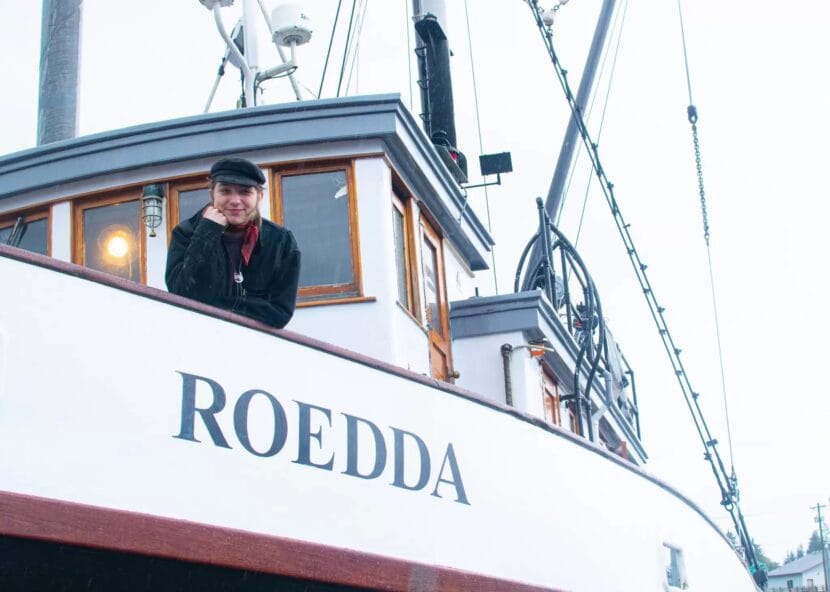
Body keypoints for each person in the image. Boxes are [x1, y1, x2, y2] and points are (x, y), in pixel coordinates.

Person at [166, 157, 301, 329]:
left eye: (245, 192)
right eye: (225, 191)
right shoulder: (186, 233)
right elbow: (180, 295)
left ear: (260, 196)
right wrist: (206, 233)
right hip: (198, 337)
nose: (235, 200)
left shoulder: (281, 242)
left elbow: (280, 313)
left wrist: (217, 304)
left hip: (256, 345)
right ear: (211, 193)